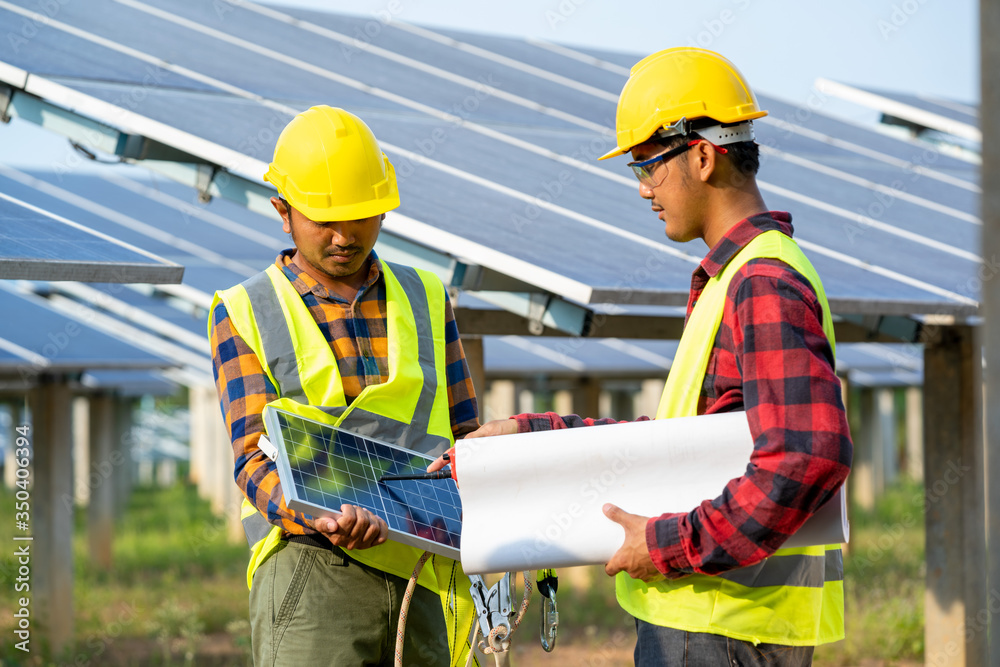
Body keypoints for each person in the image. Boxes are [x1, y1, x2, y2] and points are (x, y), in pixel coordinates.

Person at [448, 48, 853, 665]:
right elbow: (679, 445)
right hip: (715, 625)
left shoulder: (761, 281)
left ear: (702, 153)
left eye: (647, 166)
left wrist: (670, 543)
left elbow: (808, 453)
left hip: (720, 626)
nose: (642, 190)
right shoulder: (734, 278)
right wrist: (529, 435)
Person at [209, 105, 481, 667]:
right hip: (311, 569)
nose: (343, 235)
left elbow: (467, 435)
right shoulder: (244, 310)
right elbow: (249, 461)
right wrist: (318, 515)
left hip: (425, 570)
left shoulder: (428, 296)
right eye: (322, 219)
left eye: (360, 216)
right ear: (282, 212)